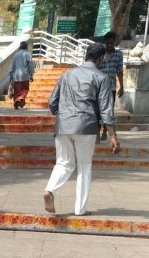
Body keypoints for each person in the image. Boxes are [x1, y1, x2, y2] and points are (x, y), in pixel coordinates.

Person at [42, 43, 121, 216]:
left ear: (86, 56)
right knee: (84, 166)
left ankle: (50, 190)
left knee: (63, 163)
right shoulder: (101, 78)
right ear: (100, 59)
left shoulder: (66, 74)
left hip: (64, 125)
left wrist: (63, 114)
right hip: (86, 126)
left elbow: (52, 101)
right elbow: (106, 110)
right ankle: (80, 209)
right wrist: (113, 136)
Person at [99, 31, 125, 141]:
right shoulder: (100, 54)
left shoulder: (118, 54)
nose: (109, 45)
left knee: (110, 110)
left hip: (112, 87)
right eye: (107, 43)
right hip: (99, 87)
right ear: (104, 43)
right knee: (98, 110)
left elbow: (119, 71)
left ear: (114, 42)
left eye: (111, 43)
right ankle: (98, 131)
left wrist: (122, 86)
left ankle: (107, 131)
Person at [10, 41, 34, 109]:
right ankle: (20, 100)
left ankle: (17, 104)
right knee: (25, 89)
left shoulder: (15, 55)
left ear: (20, 47)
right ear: (26, 47)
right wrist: (31, 75)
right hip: (25, 76)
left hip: (16, 76)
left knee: (17, 91)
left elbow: (12, 66)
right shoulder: (28, 54)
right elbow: (30, 65)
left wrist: (11, 75)